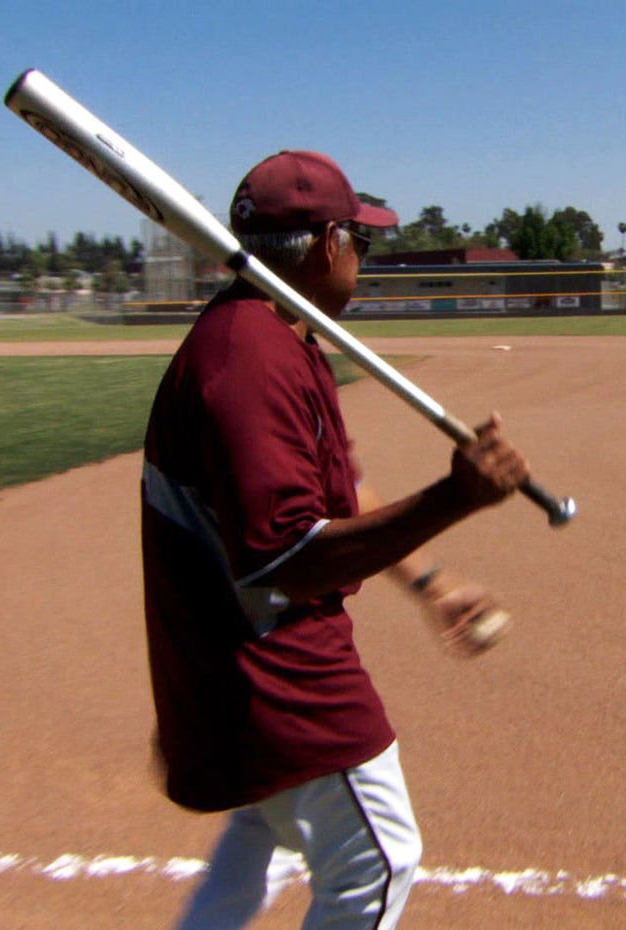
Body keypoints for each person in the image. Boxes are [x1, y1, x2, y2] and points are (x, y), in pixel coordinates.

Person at [141, 150, 533, 930]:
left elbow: (340, 494)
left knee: (257, 845)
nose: (365, 257)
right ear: (327, 244)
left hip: (231, 666)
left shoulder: (277, 337)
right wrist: (455, 496)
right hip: (275, 671)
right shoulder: (249, 361)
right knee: (378, 861)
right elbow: (287, 559)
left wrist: (431, 584)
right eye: (363, 240)